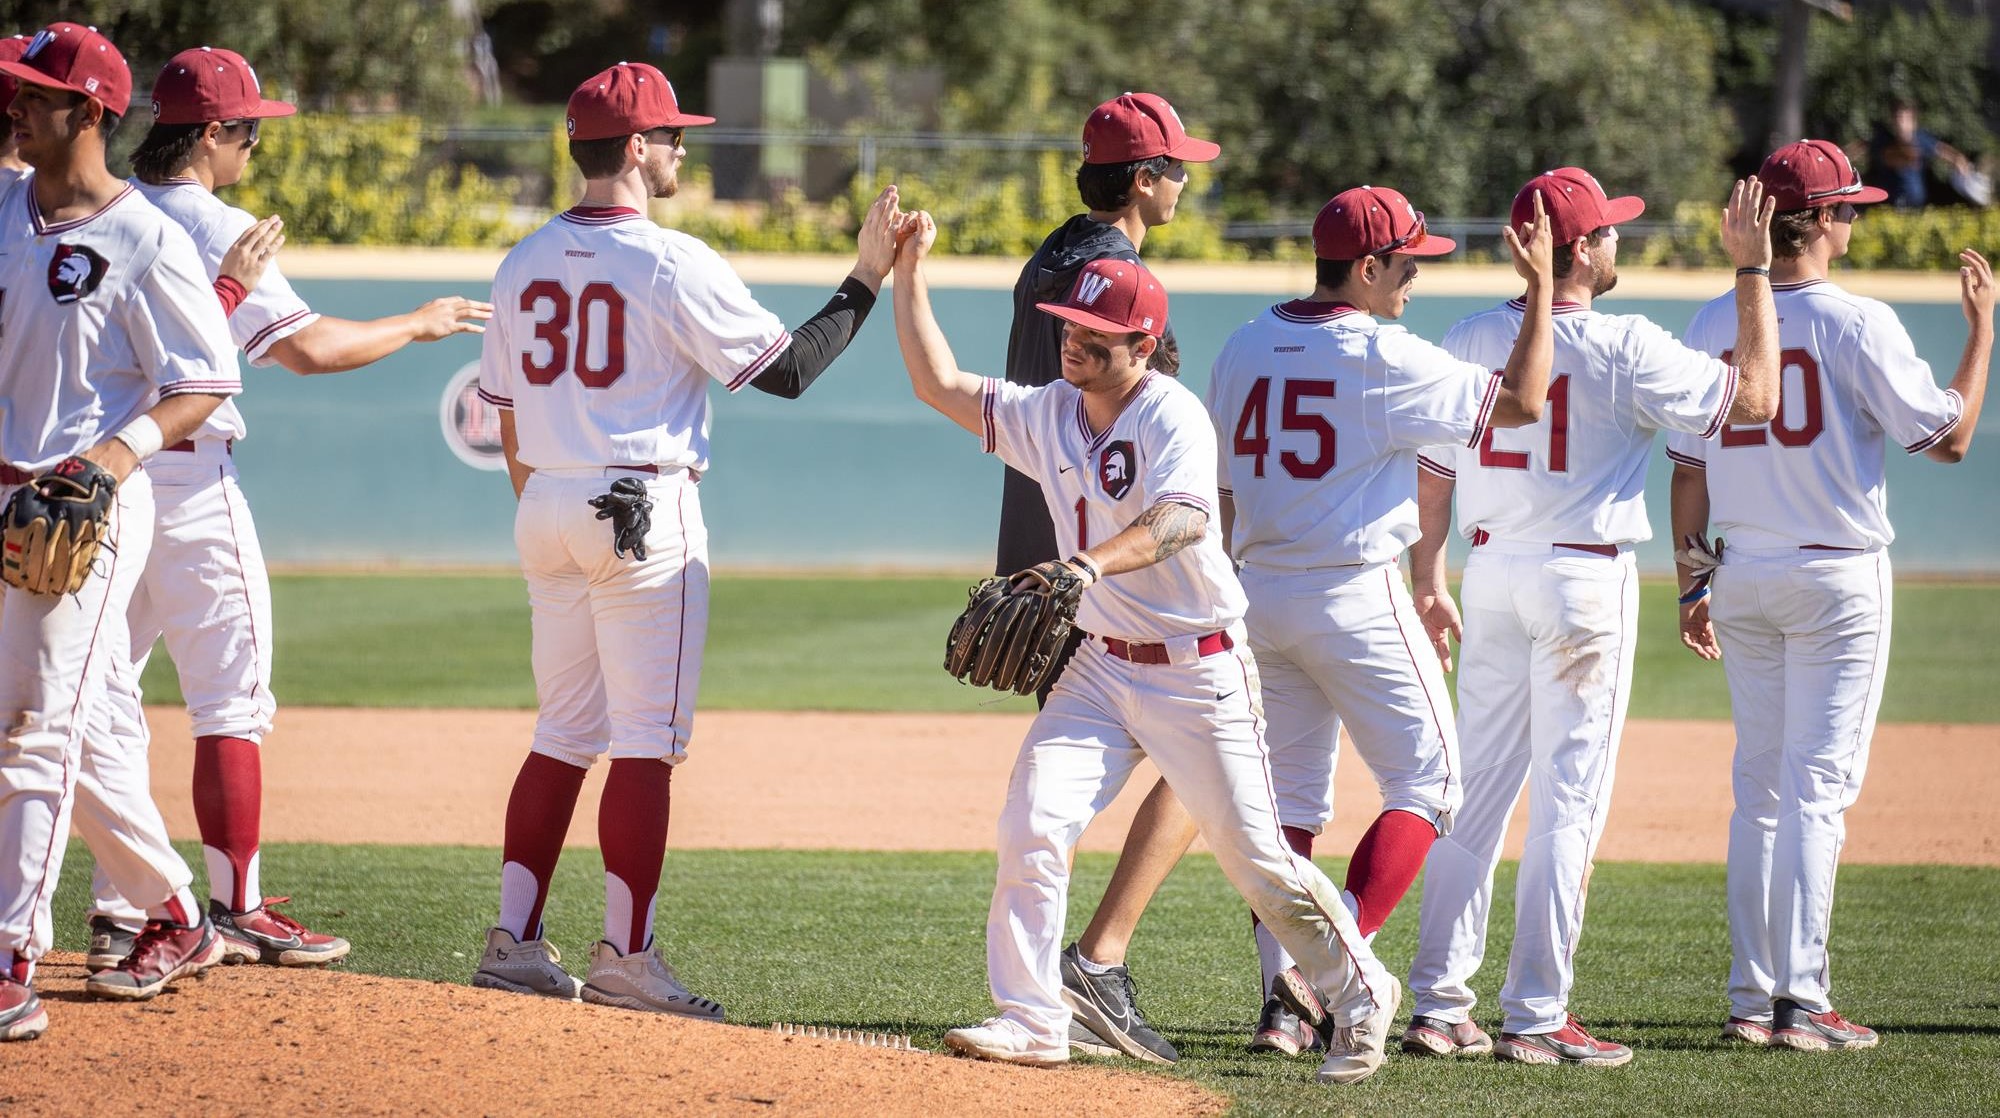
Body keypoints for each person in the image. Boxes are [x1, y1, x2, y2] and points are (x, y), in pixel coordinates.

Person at [891, 211, 1400, 1086]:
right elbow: (937, 382)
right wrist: (906, 272)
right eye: (1067, 326)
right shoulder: (1048, 411)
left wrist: (1085, 565)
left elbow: (1182, 519)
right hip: (1098, 666)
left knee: (1261, 866)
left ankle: (1361, 993)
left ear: (1142, 342)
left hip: (1196, 669)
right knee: (1033, 823)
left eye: (1094, 333)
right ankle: (1033, 1016)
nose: (1071, 342)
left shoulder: (1173, 415)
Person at [1055, 183, 1556, 1066]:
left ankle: (1281, 1015)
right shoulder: (1386, 353)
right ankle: (1332, 964)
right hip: (1354, 594)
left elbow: (1213, 494)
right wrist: (1543, 287)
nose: (1412, 281)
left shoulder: (1245, 344)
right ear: (1364, 268)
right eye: (1404, 265)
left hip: (1257, 592)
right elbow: (1520, 401)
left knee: (1284, 809)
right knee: (1433, 784)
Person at [469, 62, 900, 1017]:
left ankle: (514, 940)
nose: (680, 150)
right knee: (644, 744)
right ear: (632, 149)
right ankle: (626, 956)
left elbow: (502, 415)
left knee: (559, 734)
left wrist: (550, 506)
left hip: (545, 501)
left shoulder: (521, 258)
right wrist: (867, 275)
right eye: (669, 137)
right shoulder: (672, 259)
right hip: (641, 508)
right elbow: (786, 373)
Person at [74, 45, 492, 974]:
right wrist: (420, 323)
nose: (254, 148)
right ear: (213, 134)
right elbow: (309, 349)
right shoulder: (217, 222)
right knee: (229, 700)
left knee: (104, 699)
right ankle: (237, 907)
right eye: (250, 131)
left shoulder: (103, 206)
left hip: (102, 482)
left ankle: (122, 907)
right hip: (187, 478)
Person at [1404, 168, 1781, 1066]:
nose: (1618, 241)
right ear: (1577, 250)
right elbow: (1757, 399)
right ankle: (1535, 1016)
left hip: (1492, 568)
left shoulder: (1466, 333)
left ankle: (1437, 1006)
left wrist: (1429, 569)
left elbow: (1435, 473)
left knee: (1477, 797)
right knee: (1567, 804)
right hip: (1583, 578)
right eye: (1607, 231)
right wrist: (1754, 272)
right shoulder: (1627, 345)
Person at [1669, 139, 1990, 1052]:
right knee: (1815, 793)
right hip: (1837, 573)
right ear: (1823, 222)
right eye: (1850, 208)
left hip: (1739, 572)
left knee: (1759, 792)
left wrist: (1693, 581)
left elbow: (1687, 471)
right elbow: (1950, 440)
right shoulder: (1861, 322)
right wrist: (1982, 333)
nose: (1857, 220)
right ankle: (1801, 1002)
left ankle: (1750, 996)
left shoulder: (1709, 322)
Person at [0, 21, 242, 1040]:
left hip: (81, 503)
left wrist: (110, 456)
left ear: (90, 113)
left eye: (30, 93)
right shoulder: (2, 207)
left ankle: (10, 955)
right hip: (6, 485)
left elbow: (206, 378)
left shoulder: (146, 236)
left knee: (33, 728)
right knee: (76, 737)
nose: (11, 103)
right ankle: (178, 909)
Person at [993, 90, 1219, 1064]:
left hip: (1046, 542)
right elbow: (1146, 422)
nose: (1182, 182)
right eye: (1175, 168)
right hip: (1105, 556)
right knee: (1204, 732)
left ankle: (1053, 981)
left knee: (1060, 786)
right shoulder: (1115, 276)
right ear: (1141, 177)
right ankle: (1093, 961)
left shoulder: (1048, 253)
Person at [1868, 100, 1978, 209]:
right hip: (1893, 205)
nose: (1901, 124)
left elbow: (1942, 150)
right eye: (1898, 118)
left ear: (1914, 122)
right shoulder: (1885, 141)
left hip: (1917, 204)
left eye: (1906, 119)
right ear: (1892, 121)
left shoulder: (1920, 139)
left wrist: (1958, 159)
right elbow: (1868, 149)